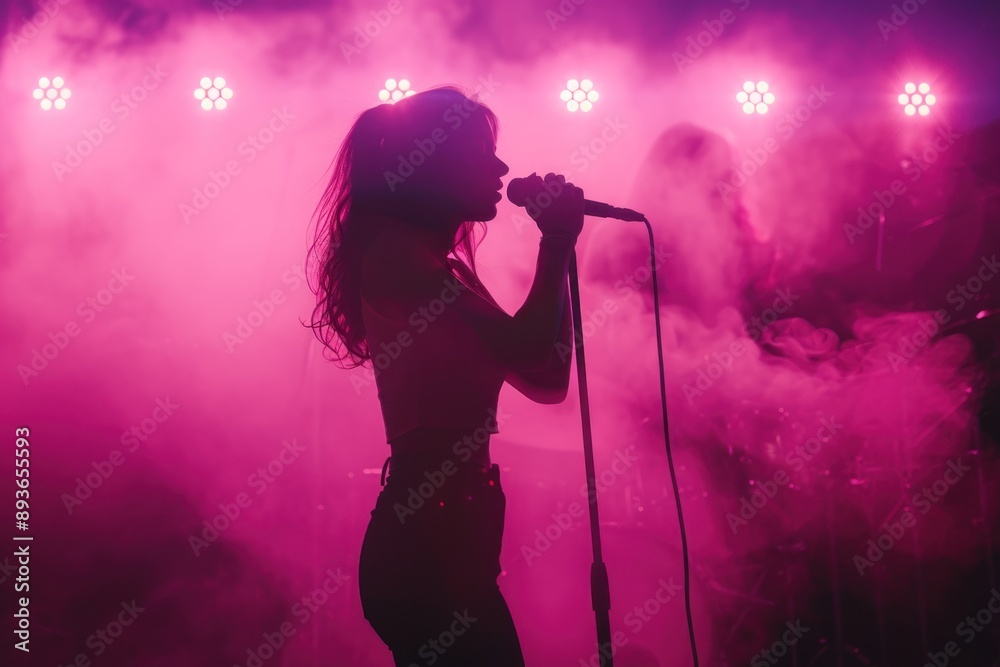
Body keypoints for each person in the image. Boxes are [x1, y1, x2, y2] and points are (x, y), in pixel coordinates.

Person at [307, 86, 584, 666]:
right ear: (436, 161)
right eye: (484, 152)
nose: (502, 168)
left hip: (453, 535)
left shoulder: (443, 270)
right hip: (427, 541)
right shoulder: (398, 258)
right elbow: (533, 346)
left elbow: (547, 377)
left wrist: (558, 248)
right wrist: (555, 241)